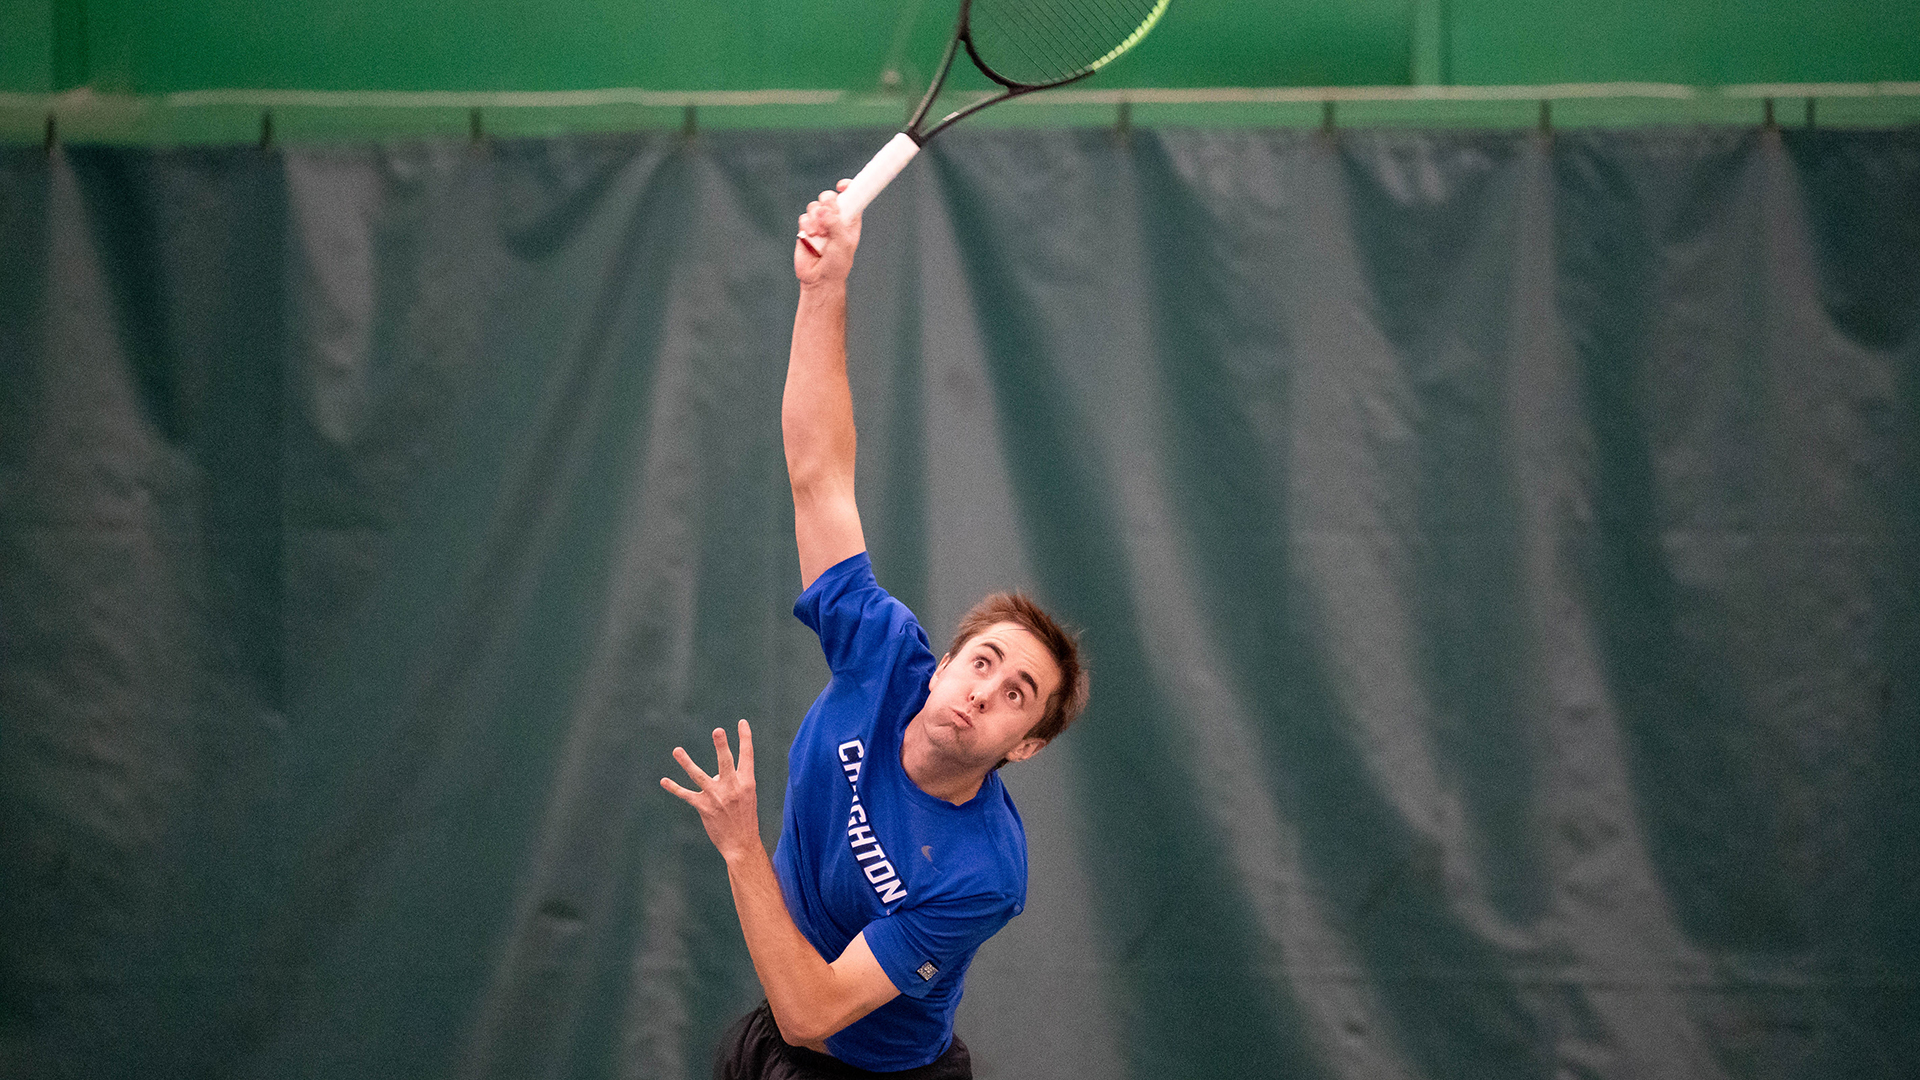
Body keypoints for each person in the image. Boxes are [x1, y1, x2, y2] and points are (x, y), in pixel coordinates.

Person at [661, 183, 1089, 1079]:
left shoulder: (982, 873)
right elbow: (820, 474)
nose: (985, 690)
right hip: (767, 1048)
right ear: (939, 667)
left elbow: (814, 1011)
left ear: (1028, 747)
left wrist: (742, 847)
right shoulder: (880, 654)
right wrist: (825, 290)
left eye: (1018, 695)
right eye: (983, 660)